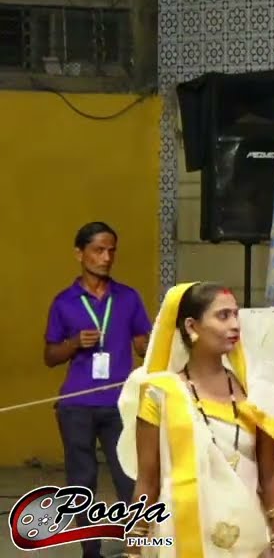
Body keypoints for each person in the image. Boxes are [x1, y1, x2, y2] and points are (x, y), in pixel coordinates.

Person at [116, 282, 274, 556]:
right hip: (182, 539)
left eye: (236, 314)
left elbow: (271, 473)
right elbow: (147, 483)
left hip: (249, 540)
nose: (235, 325)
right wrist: (133, 548)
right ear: (192, 326)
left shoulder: (256, 394)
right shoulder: (161, 394)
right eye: (223, 316)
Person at [44, 222, 152, 558]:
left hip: (120, 404)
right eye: (98, 250)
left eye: (111, 251)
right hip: (76, 405)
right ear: (80, 254)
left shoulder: (128, 297)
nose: (106, 258)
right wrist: (74, 343)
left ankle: (137, 548)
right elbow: (50, 356)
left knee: (130, 477)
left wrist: (152, 346)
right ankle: (91, 552)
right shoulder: (64, 302)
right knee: (82, 481)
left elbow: (143, 345)